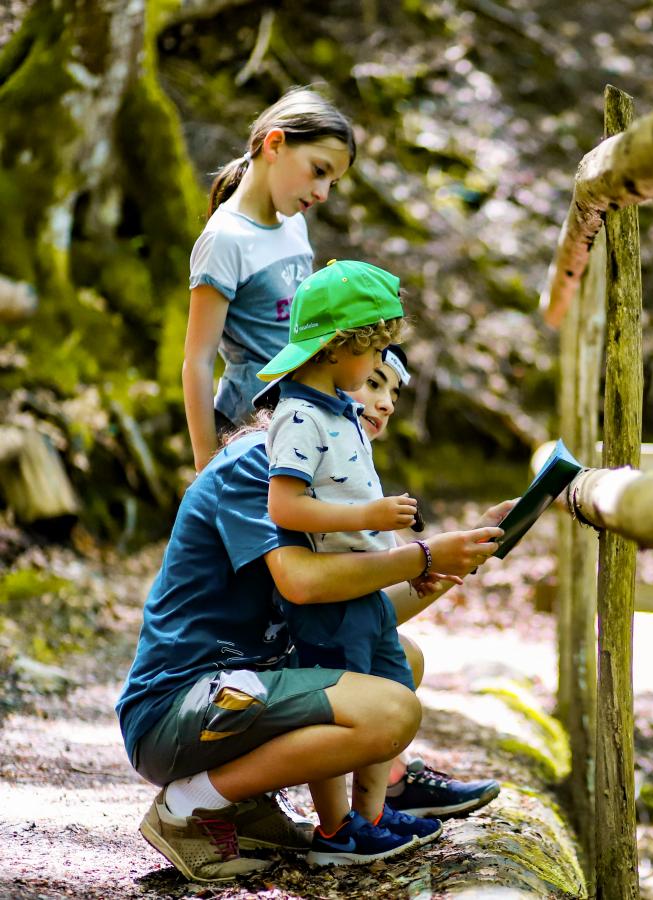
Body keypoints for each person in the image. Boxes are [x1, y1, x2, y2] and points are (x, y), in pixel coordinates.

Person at [115, 372, 510, 881]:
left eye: (393, 392)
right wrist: (422, 556)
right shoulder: (257, 465)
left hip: (237, 694)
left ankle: (248, 806)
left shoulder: (318, 479)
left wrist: (457, 559)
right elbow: (302, 583)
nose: (384, 404)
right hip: (179, 708)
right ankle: (191, 806)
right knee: (388, 713)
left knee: (401, 658)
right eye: (369, 379)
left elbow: (359, 618)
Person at [255, 259, 440, 865]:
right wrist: (373, 518)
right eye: (374, 354)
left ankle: (372, 816)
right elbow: (286, 504)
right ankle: (335, 831)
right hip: (332, 602)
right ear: (341, 349)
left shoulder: (338, 412)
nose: (376, 371)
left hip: (364, 594)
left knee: (390, 689)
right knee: (349, 707)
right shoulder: (300, 416)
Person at [183, 87, 355, 472]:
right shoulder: (225, 238)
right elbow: (197, 361)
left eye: (334, 182)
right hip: (248, 438)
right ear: (275, 144)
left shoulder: (295, 225)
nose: (324, 193)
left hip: (300, 426)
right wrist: (207, 467)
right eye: (319, 171)